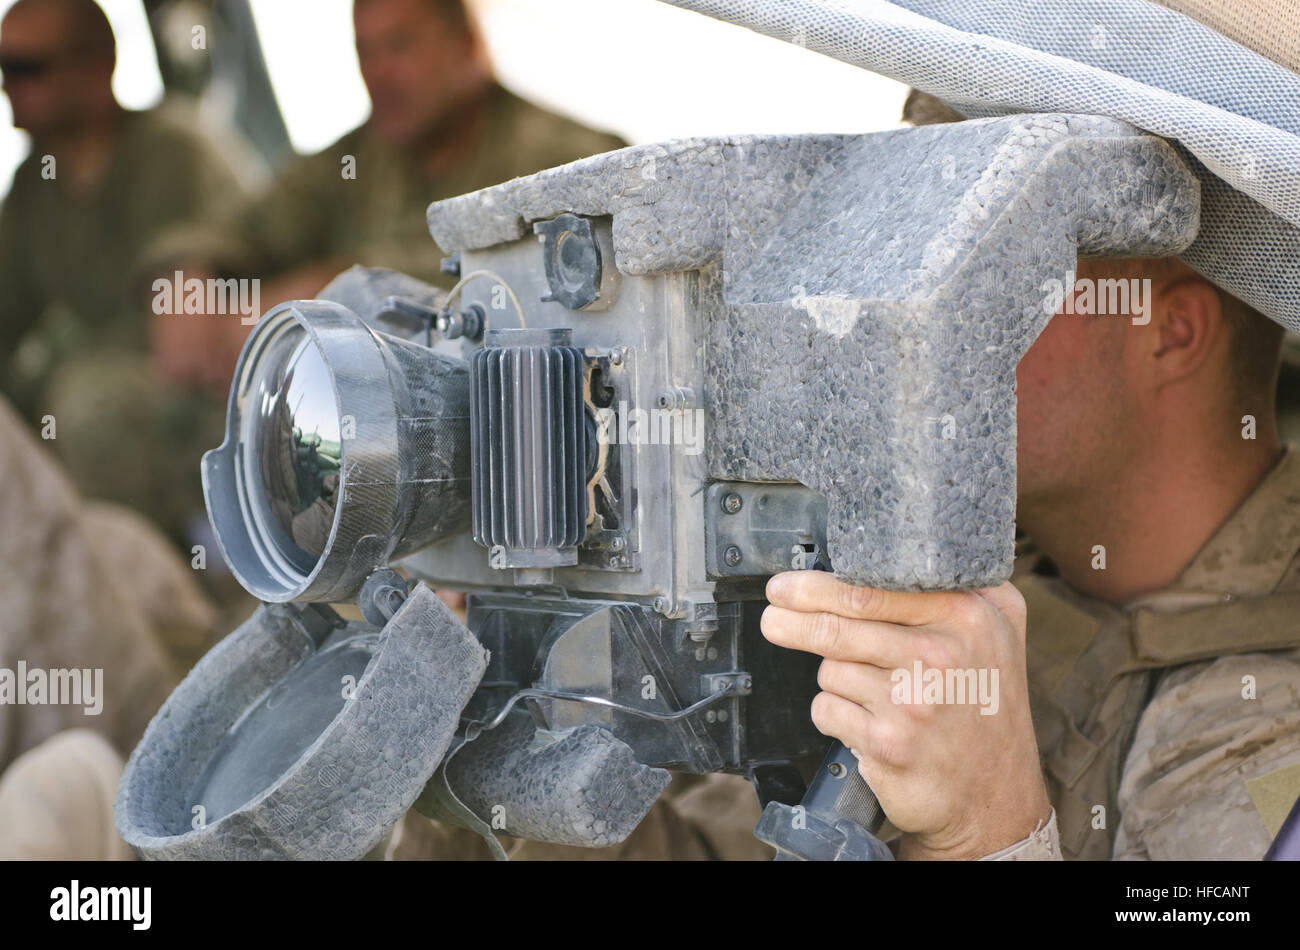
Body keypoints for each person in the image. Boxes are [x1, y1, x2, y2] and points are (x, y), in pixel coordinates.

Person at [0, 0, 252, 544]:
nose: (8, 86)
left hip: (224, 395)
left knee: (86, 405)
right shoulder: (32, 187)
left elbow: (185, 327)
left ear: (94, 66)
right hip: (113, 389)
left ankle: (168, 595)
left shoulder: (170, 152)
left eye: (27, 68)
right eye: (3, 67)